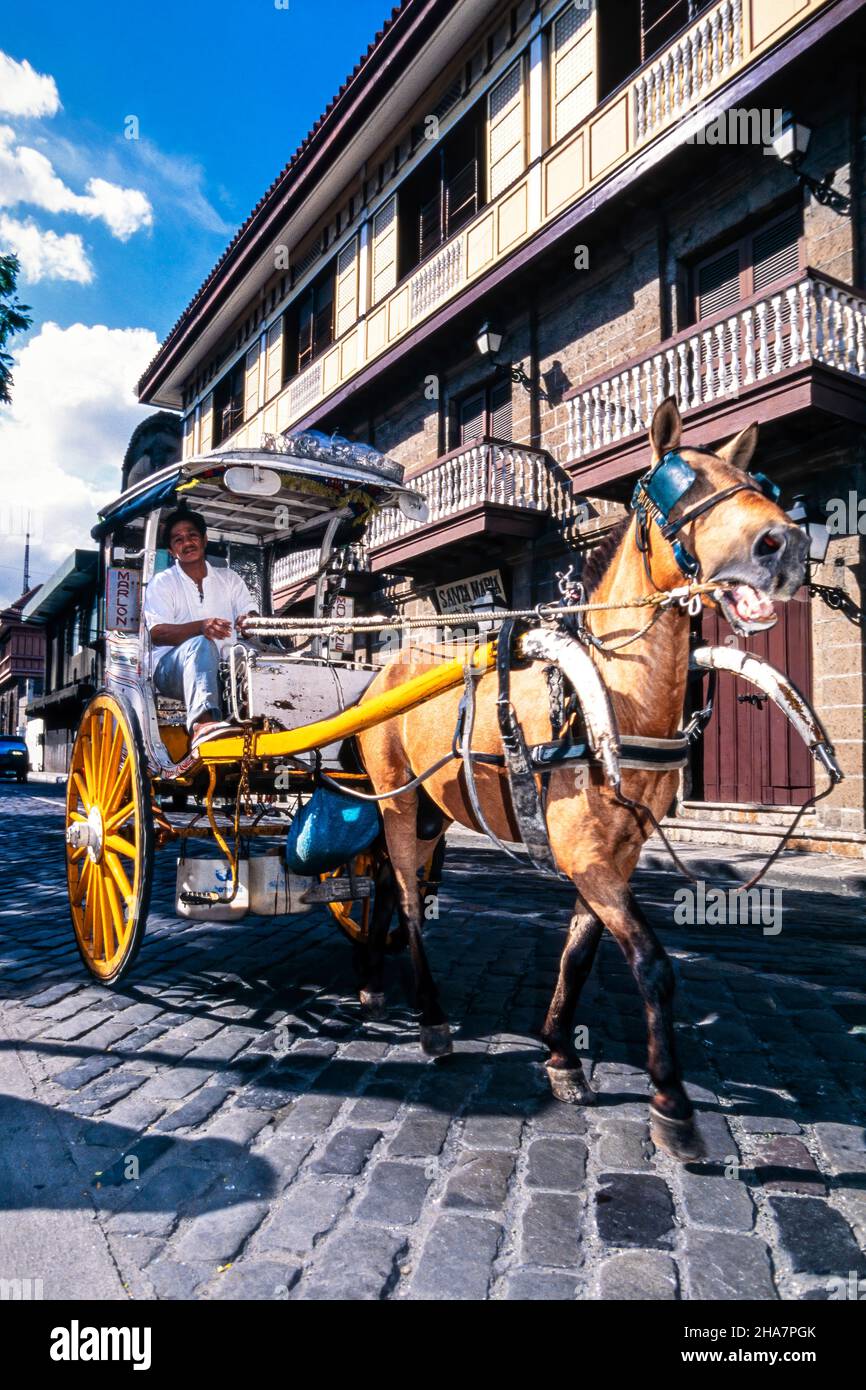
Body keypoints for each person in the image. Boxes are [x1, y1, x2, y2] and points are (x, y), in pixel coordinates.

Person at [143, 507, 257, 748]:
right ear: (172, 550)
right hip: (170, 670)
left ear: (204, 539)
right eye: (178, 539)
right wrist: (201, 627)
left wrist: (249, 622)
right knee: (200, 645)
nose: (187, 542)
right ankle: (202, 725)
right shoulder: (162, 583)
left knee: (259, 661)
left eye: (192, 535)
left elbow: (250, 611)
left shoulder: (230, 579)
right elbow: (157, 633)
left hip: (225, 669)